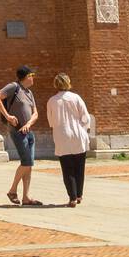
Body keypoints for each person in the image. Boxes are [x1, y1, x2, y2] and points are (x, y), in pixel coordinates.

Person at [0, 65, 42, 206]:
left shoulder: (29, 93)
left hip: (29, 132)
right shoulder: (14, 87)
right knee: (26, 162)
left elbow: (36, 113)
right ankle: (12, 190)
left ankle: (26, 197)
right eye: (32, 76)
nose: (33, 78)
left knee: (29, 164)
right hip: (17, 131)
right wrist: (8, 116)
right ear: (27, 77)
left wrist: (29, 124)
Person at [46, 72, 92, 207]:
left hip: (62, 135)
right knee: (79, 167)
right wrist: (85, 129)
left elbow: (51, 121)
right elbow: (86, 117)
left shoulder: (52, 101)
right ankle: (79, 195)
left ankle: (72, 197)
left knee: (67, 168)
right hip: (78, 134)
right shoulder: (76, 98)